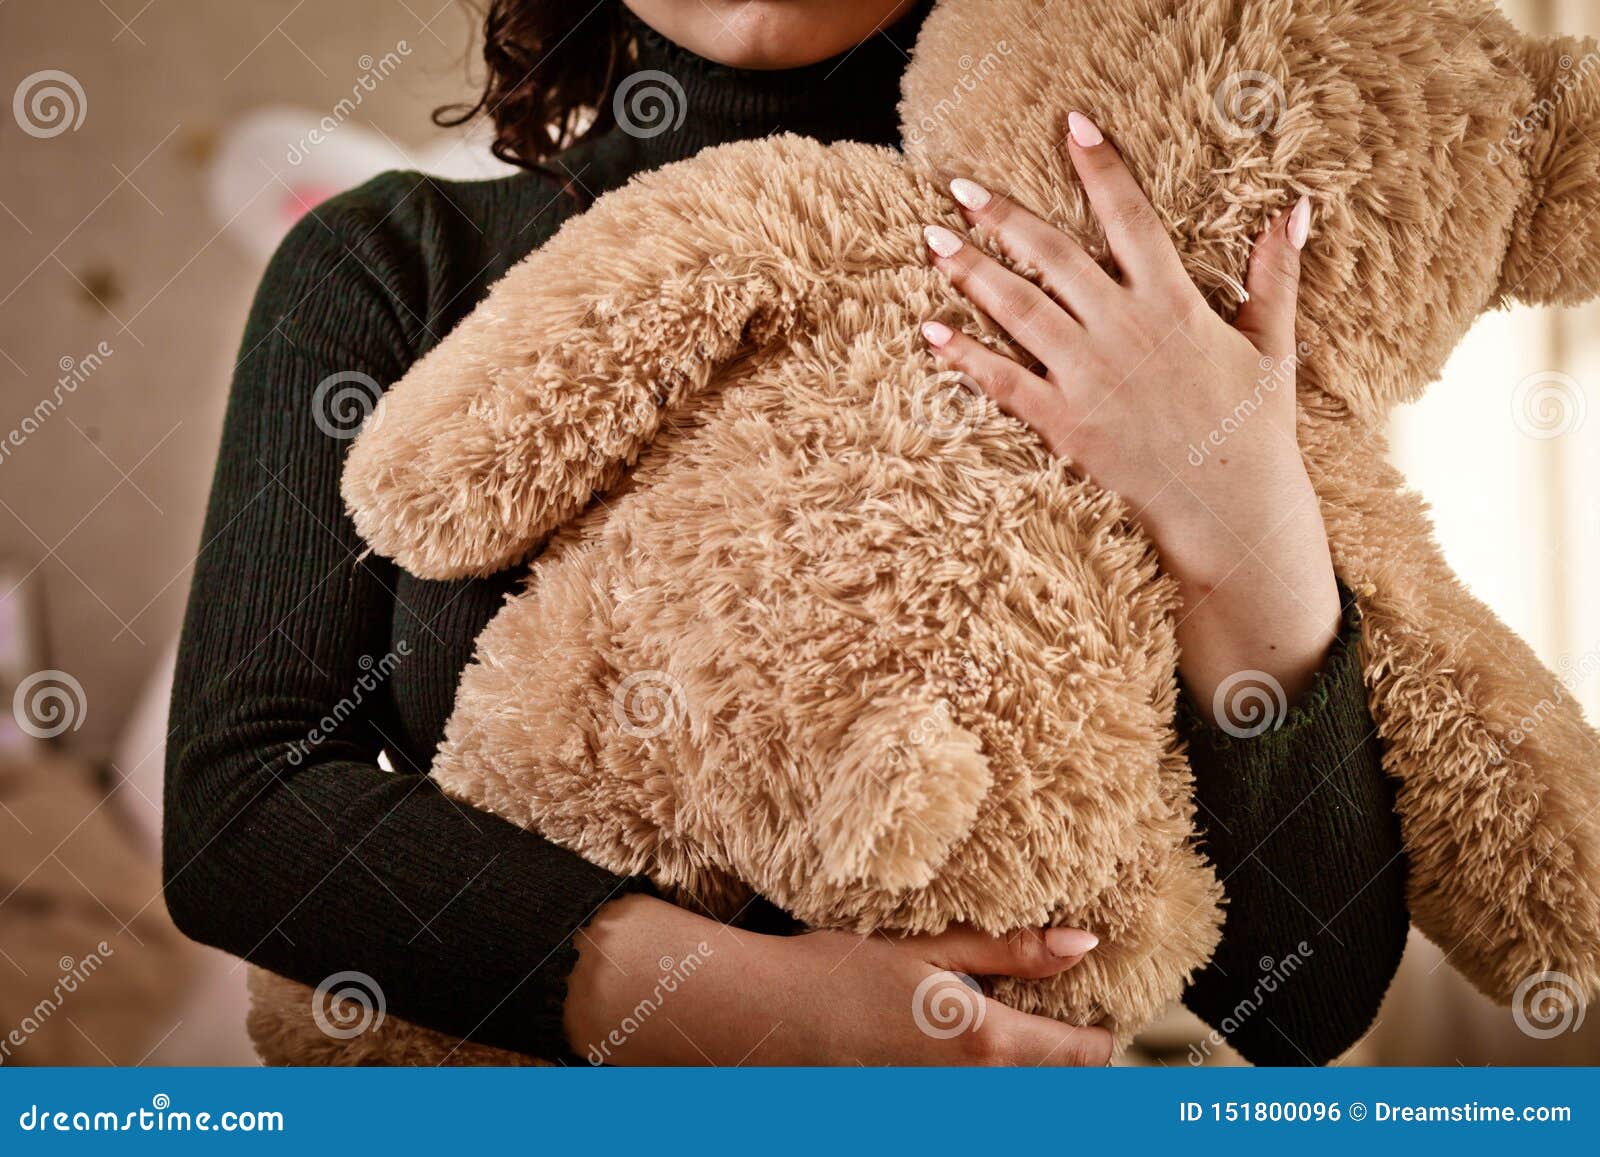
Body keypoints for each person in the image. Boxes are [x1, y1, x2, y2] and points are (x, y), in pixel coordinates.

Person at [164, 0, 1407, 1066]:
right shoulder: (390, 263)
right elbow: (239, 812)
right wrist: (736, 1011)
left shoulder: (1132, 301)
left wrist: (1247, 517)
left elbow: (1302, 1002)